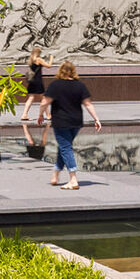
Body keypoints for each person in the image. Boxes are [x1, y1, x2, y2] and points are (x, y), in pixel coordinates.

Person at [39, 61, 100, 190]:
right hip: (76, 122)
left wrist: (40, 115)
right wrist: (96, 119)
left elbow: (45, 101)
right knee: (65, 146)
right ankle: (56, 173)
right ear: (73, 71)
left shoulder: (55, 85)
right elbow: (88, 104)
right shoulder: (80, 85)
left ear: (60, 71)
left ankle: (73, 179)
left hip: (61, 121)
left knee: (66, 147)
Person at [18, 47, 52, 124]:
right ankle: (48, 115)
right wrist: (51, 58)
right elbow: (49, 66)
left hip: (31, 81)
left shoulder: (30, 60)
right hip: (38, 81)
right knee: (43, 98)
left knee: (31, 97)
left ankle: (24, 114)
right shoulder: (39, 59)